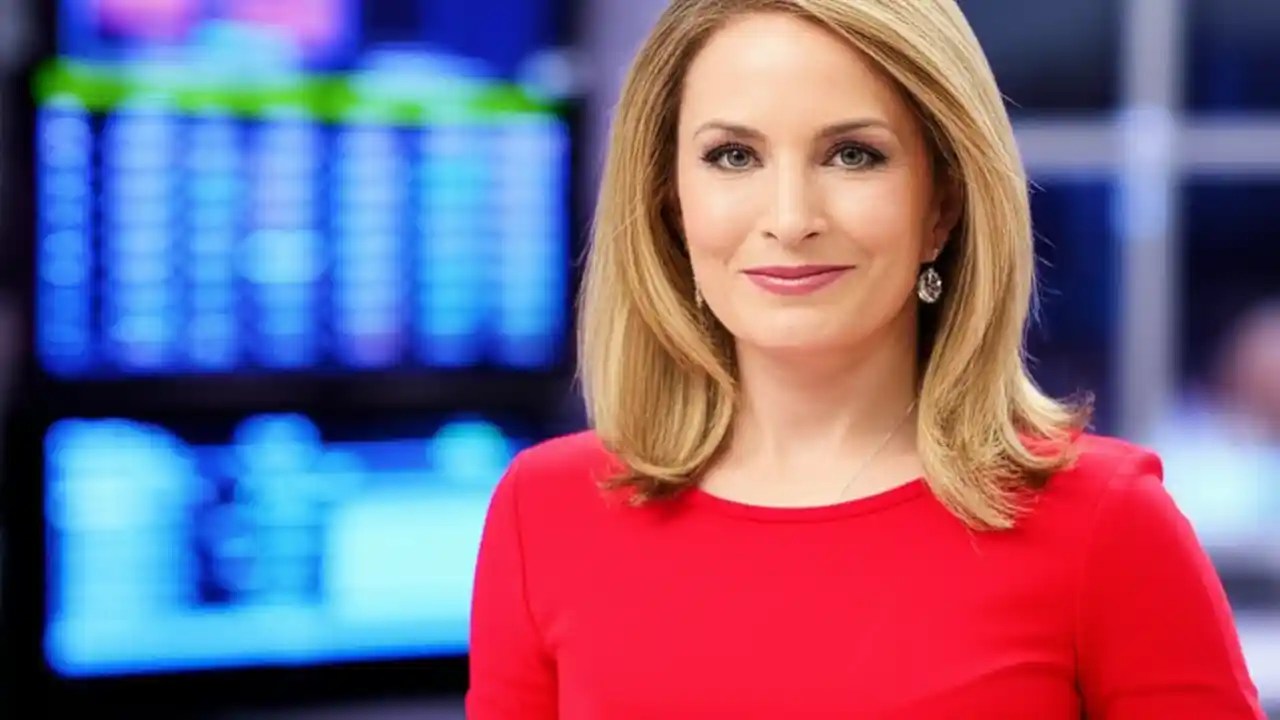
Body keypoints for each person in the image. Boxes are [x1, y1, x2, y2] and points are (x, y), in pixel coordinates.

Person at [466, 0, 1265, 717]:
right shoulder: (544, 515)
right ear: (669, 202)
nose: (790, 219)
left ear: (942, 205)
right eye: (734, 156)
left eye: (852, 155)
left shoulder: (1108, 527)